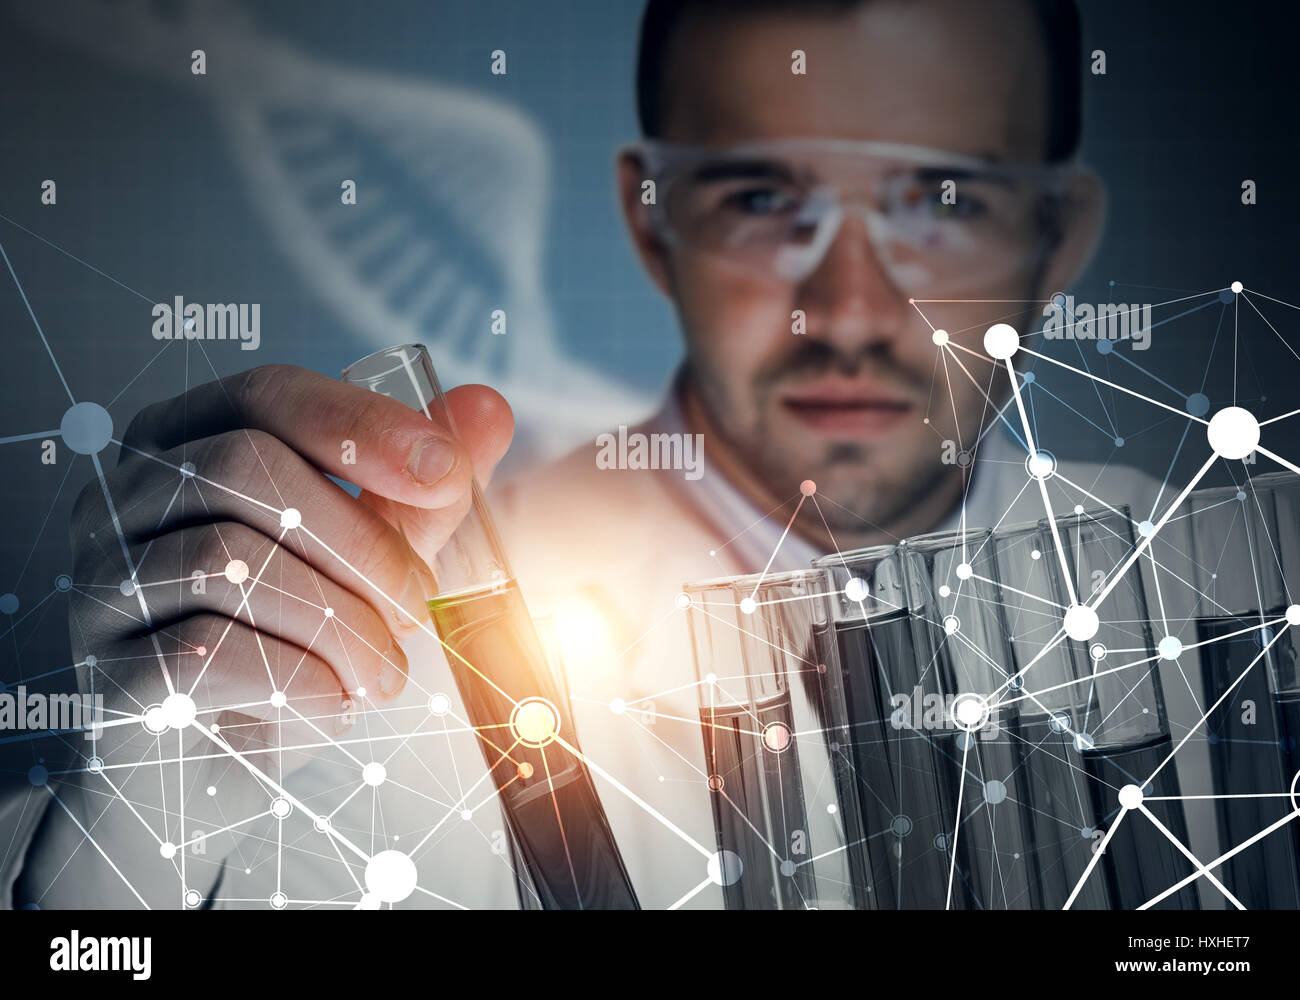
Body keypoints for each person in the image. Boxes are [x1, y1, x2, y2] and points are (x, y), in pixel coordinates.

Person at [2, 0, 1169, 909]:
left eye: (944, 197)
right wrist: (144, 802)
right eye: (765, 197)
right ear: (651, 215)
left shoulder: (1231, 605)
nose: (848, 309)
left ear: (1059, 232)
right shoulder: (374, 649)